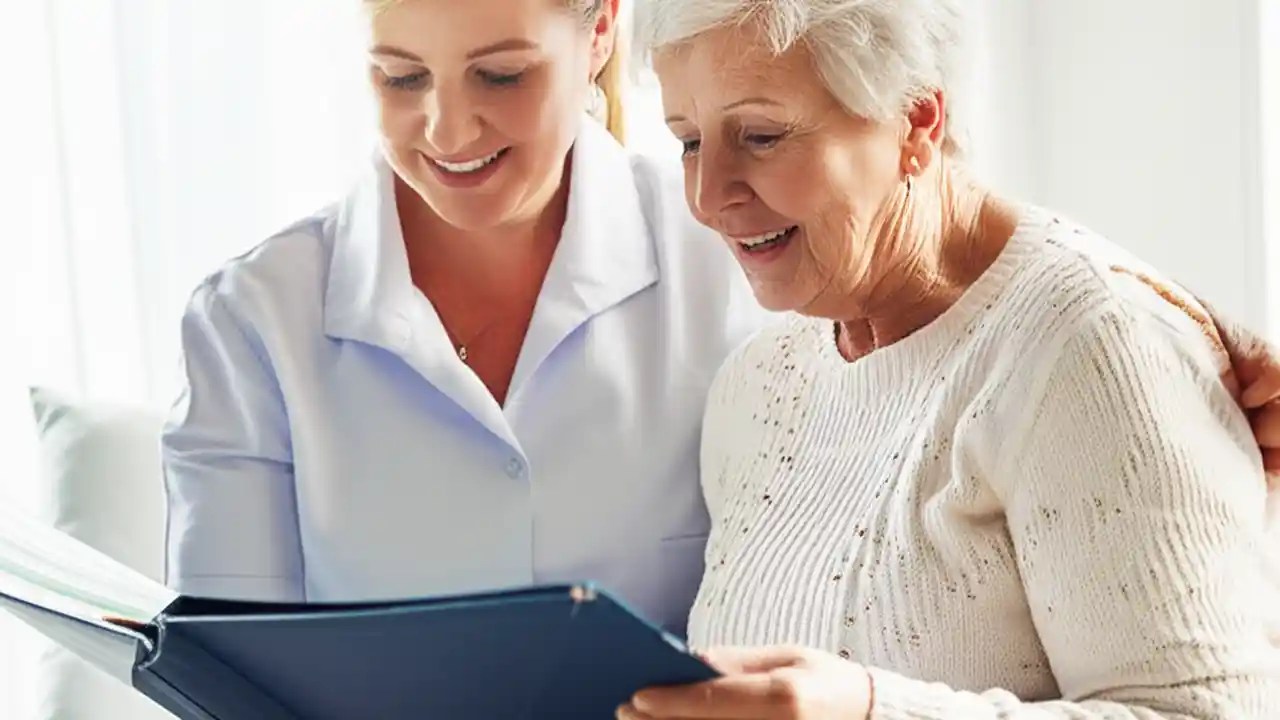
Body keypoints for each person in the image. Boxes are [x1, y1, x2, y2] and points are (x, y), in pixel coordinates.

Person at [161, 0, 1280, 651]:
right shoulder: (255, 317)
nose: (444, 126)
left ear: (595, 30)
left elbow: (941, 255)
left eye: (499, 72)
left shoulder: (744, 254)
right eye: (397, 75)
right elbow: (227, 667)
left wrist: (1166, 328)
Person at [619, 1, 1280, 719]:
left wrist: (872, 711)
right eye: (688, 141)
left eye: (761, 135)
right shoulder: (757, 380)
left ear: (916, 122)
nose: (708, 196)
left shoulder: (1096, 346)